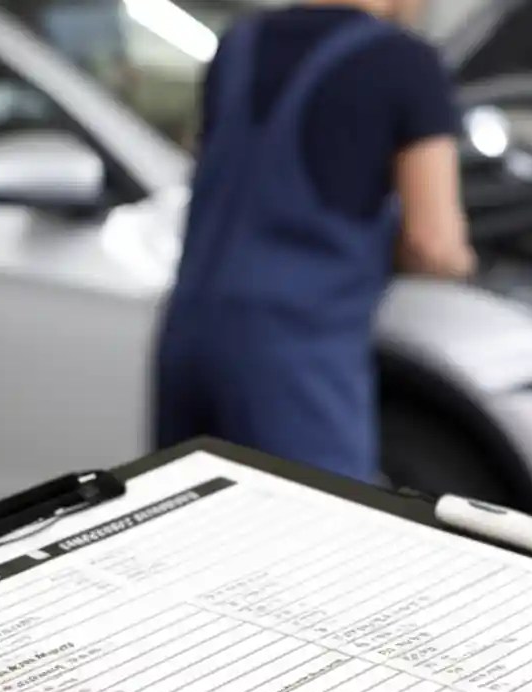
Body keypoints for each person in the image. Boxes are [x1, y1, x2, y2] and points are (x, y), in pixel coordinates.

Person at [154, 0, 475, 483]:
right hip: (294, 354)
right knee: (323, 522)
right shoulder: (406, 63)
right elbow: (434, 244)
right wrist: (464, 262)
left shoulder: (239, 44)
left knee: (189, 512)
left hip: (188, 334)